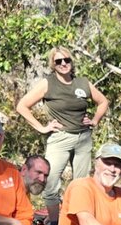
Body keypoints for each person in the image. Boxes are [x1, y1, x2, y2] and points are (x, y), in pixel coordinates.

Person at [14, 47, 107, 212]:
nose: (63, 64)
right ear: (53, 65)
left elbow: (103, 102)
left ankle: (76, 220)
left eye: (67, 60)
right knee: (50, 184)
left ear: (71, 61)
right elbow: (22, 106)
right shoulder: (48, 83)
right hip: (60, 138)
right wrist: (42, 128)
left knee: (81, 184)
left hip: (83, 138)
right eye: (58, 61)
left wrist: (94, 121)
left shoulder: (82, 83)